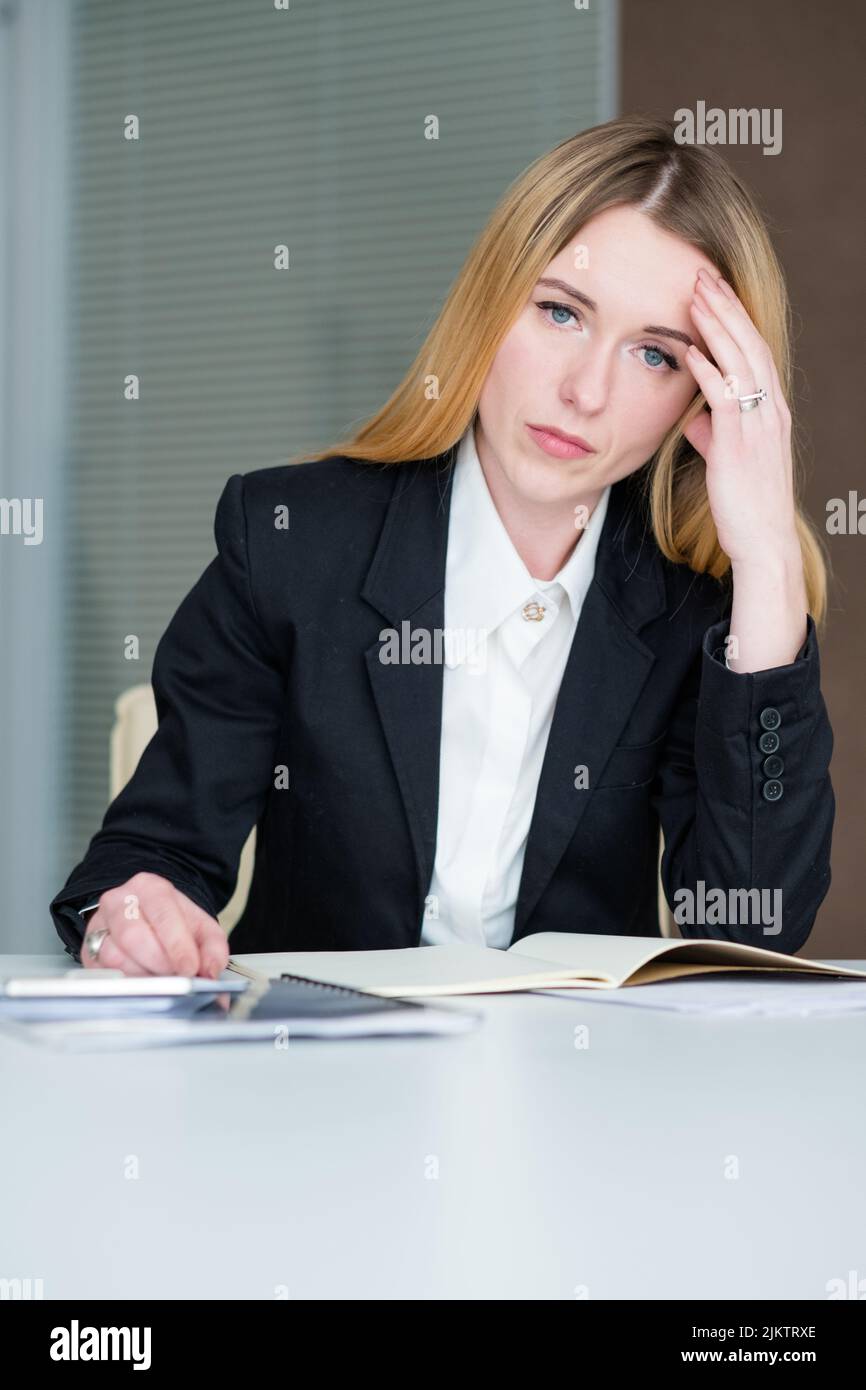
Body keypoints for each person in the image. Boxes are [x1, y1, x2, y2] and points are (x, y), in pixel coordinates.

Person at [51, 114, 834, 977]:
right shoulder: (290, 541)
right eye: (560, 313)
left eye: (654, 355)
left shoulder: (701, 608)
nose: (585, 391)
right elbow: (144, 861)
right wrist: (131, 913)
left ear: (706, 396)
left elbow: (755, 929)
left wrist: (765, 557)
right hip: (313, 1081)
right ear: (491, 304)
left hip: (583, 1090)